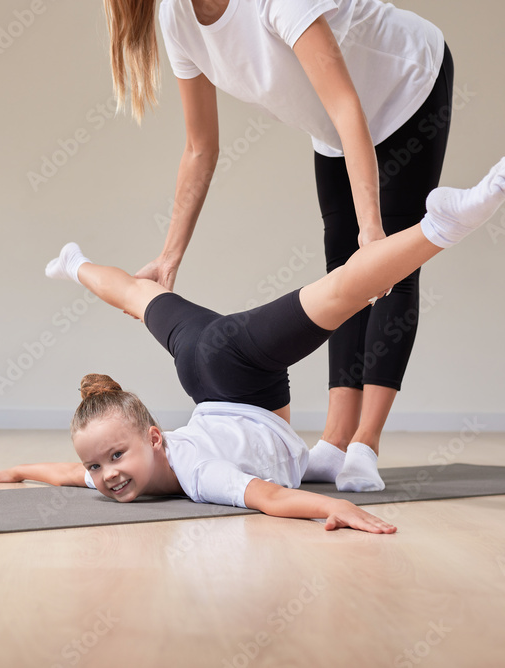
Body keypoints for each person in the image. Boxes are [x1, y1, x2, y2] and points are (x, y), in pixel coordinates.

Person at [0, 155, 505, 534]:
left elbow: (273, 498)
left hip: (233, 372)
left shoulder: (194, 472)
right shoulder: (123, 468)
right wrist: (20, 471)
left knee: (337, 295)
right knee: (138, 297)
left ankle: (442, 227)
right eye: (99, 467)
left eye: (115, 456)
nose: (107, 475)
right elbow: (69, 472)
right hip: (206, 372)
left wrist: (335, 513)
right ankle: (74, 264)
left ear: (155, 438)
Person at [103, 0, 456, 491]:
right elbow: (200, 146)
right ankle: (334, 442)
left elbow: (345, 103)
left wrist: (373, 229)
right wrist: (169, 256)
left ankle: (365, 444)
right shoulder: (177, 19)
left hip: (405, 86)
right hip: (336, 126)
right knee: (344, 273)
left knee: (387, 269)